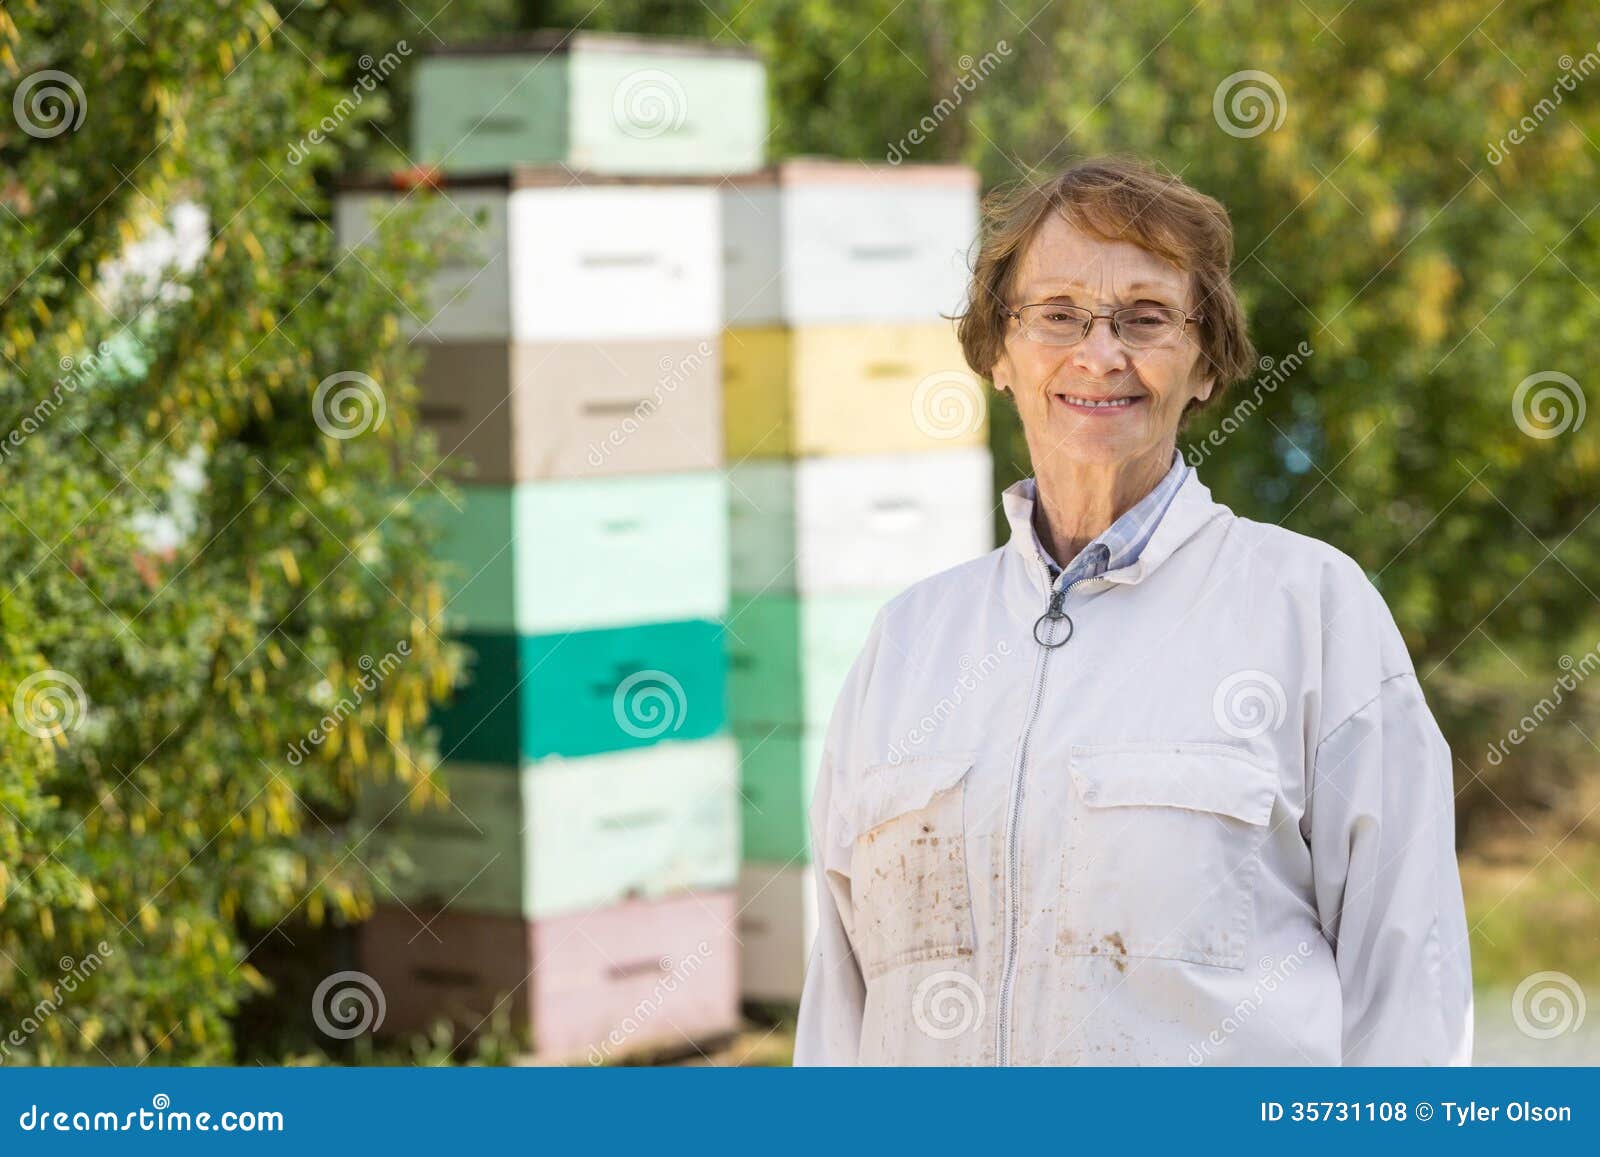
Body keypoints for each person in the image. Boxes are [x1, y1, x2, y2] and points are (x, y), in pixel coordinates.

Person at [793, 156, 1473, 1066]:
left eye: (1146, 318)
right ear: (999, 352)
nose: (1099, 352)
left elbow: (1409, 990)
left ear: (1206, 361)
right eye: (1058, 315)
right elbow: (839, 1009)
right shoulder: (907, 643)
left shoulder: (1312, 611)